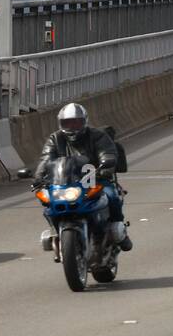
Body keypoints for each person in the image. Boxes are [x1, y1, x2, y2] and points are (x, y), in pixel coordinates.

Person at [34, 103, 132, 251]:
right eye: (67, 123)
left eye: (76, 122)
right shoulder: (55, 139)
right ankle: (55, 232)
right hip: (65, 183)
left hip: (95, 180)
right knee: (47, 202)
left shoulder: (98, 136)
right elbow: (46, 159)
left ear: (84, 121)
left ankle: (119, 232)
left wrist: (106, 165)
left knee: (112, 196)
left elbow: (107, 152)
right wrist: (38, 177)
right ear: (61, 123)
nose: (72, 126)